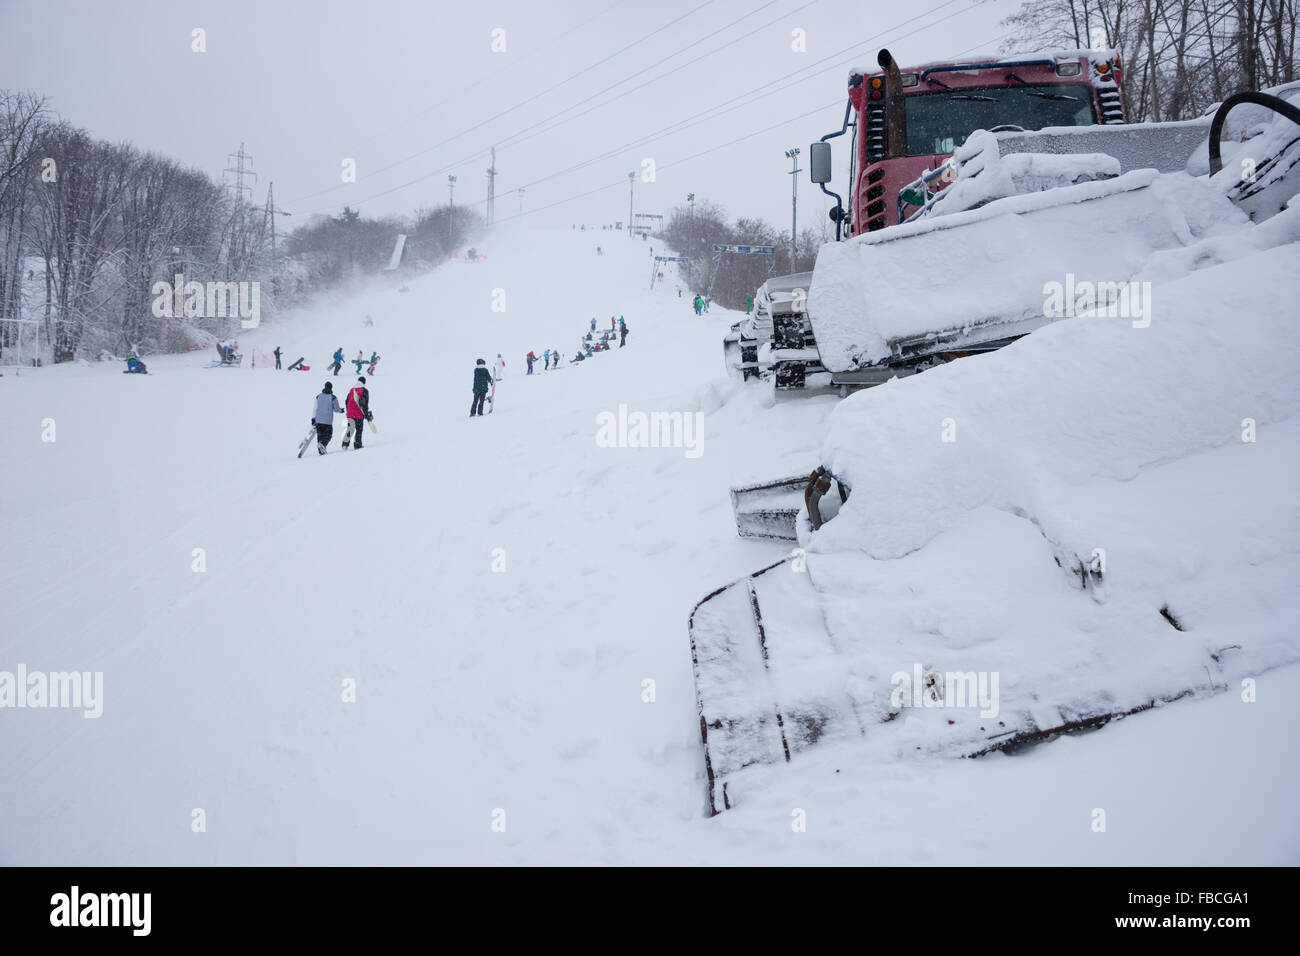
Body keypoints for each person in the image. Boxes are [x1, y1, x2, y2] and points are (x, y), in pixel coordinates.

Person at [342, 376, 373, 450]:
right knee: (359, 429)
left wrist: (349, 410)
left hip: (350, 413)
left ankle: (345, 444)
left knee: (350, 428)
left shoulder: (351, 390)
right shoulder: (364, 390)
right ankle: (357, 444)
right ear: (364, 382)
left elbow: (346, 401)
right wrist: (367, 415)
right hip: (359, 413)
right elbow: (365, 404)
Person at [312, 381, 344, 454]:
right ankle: (323, 445)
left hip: (318, 420)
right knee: (328, 435)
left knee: (320, 436)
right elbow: (336, 409)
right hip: (327, 421)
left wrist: (313, 419)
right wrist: (341, 410)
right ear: (331, 388)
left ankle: (321, 451)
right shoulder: (333, 397)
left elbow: (315, 408)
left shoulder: (318, 396)